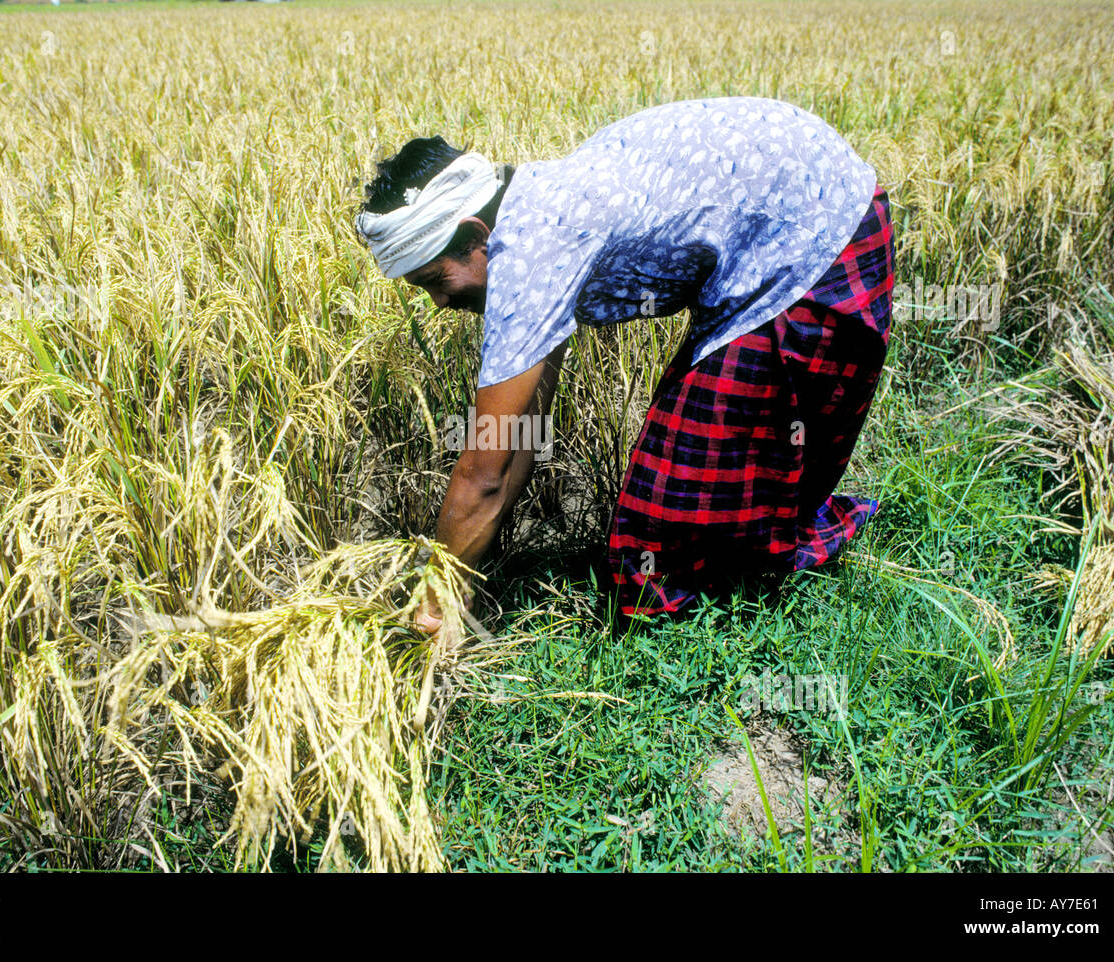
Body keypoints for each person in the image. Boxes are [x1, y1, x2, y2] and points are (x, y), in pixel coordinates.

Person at [354, 97, 894, 639]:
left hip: (818, 231)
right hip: (798, 211)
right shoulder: (530, 208)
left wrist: (435, 596)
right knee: (697, 469)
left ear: (476, 237)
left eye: (435, 281)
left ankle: (719, 623)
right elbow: (520, 429)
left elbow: (482, 473)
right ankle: (739, 570)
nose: (439, 305)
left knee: (668, 511)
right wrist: (462, 570)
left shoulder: (529, 253)